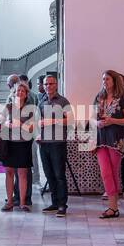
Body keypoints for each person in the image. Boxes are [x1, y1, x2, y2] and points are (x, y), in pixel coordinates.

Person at [93, 70, 124, 219]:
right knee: (105, 171)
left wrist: (112, 121)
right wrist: (97, 122)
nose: (105, 81)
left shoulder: (122, 98)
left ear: (114, 81)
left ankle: (113, 207)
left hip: (117, 141)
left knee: (112, 171)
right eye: (103, 79)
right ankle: (113, 207)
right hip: (100, 140)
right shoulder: (99, 97)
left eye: (108, 79)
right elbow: (92, 118)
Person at [0, 79, 36, 210]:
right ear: (13, 93)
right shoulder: (8, 107)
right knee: (9, 172)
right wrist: (6, 124)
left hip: (23, 144)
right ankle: (9, 202)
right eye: (17, 91)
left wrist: (20, 124)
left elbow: (31, 129)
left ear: (26, 94)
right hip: (9, 143)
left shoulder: (30, 109)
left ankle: (22, 203)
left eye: (22, 90)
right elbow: (0, 122)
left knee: (22, 173)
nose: (19, 92)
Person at [38, 73, 72, 217]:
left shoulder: (63, 101)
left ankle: (62, 205)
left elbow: (70, 121)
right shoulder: (42, 101)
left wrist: (53, 121)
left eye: (50, 84)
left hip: (58, 143)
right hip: (44, 143)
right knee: (49, 175)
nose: (48, 86)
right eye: (46, 84)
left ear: (56, 85)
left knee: (59, 175)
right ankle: (54, 202)